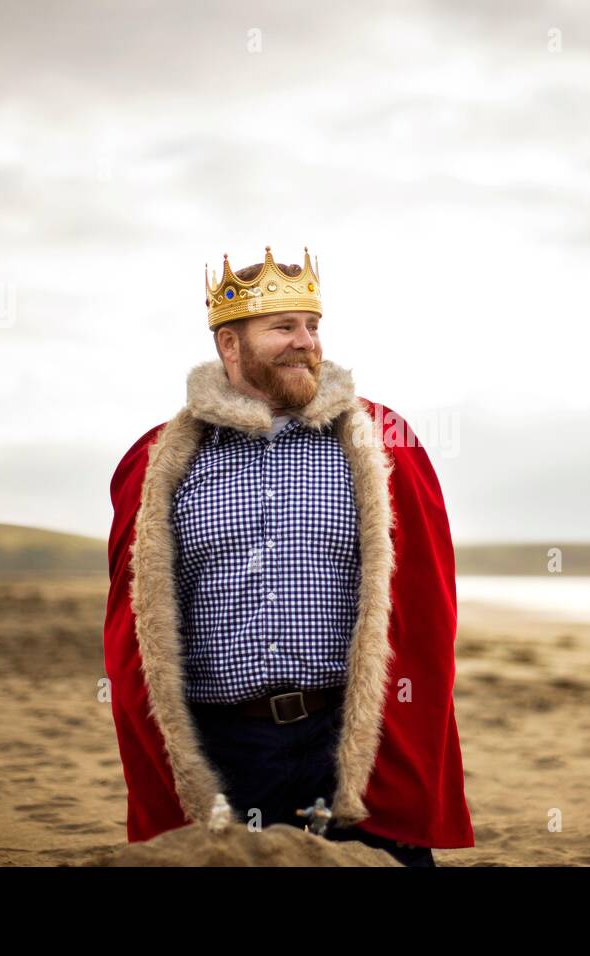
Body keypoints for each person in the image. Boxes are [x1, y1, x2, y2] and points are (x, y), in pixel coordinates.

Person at [103, 245, 473, 867]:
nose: (305, 342)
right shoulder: (161, 462)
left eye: (313, 327)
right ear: (230, 346)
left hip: (349, 739)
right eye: (283, 328)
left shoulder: (382, 445)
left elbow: (428, 607)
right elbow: (133, 623)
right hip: (224, 744)